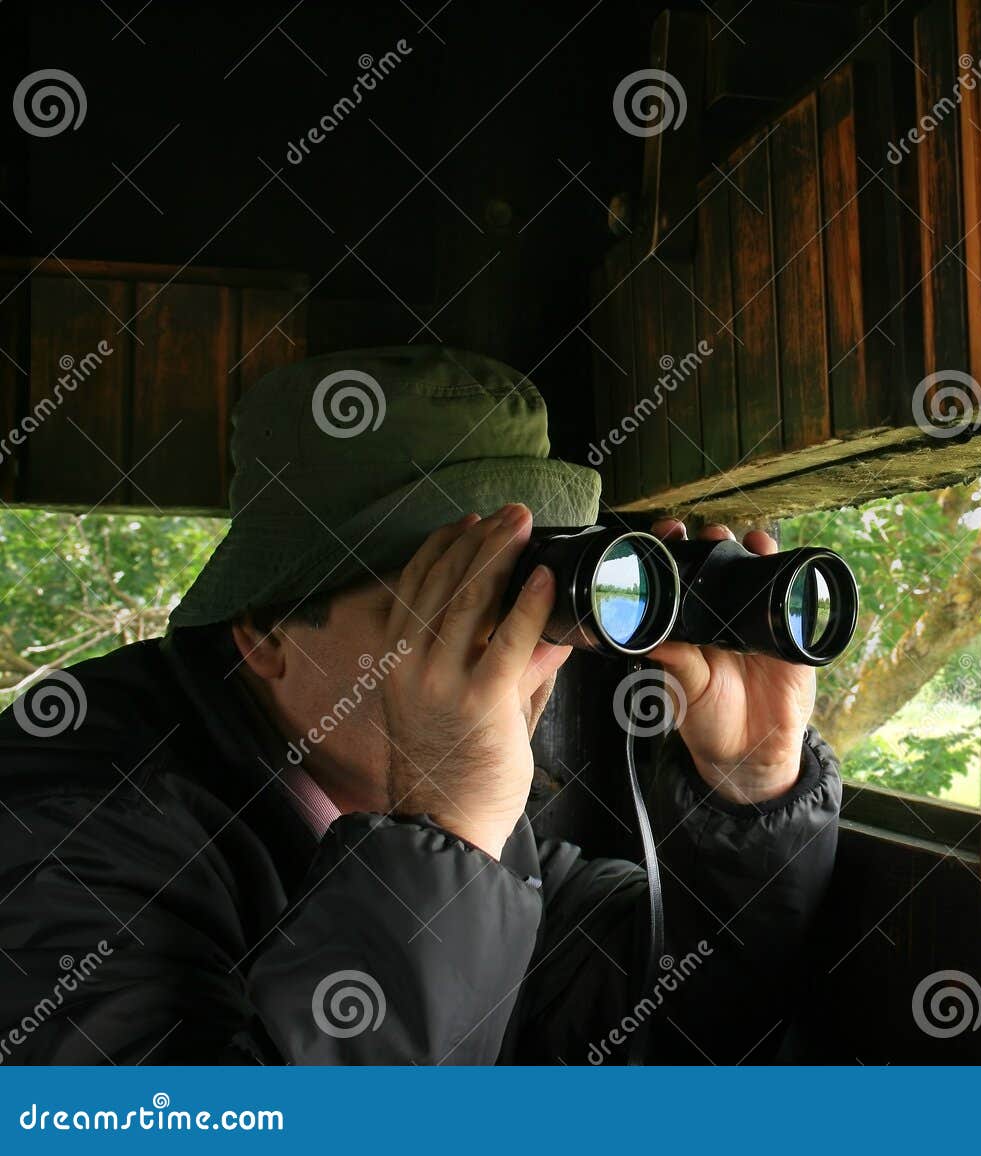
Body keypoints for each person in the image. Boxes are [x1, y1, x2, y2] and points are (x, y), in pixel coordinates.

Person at [0, 346, 841, 1064]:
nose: (515, 651)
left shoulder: (401, 785)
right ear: (268, 631)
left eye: (537, 604)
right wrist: (442, 833)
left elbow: (661, 1032)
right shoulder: (64, 829)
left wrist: (753, 789)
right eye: (451, 605)